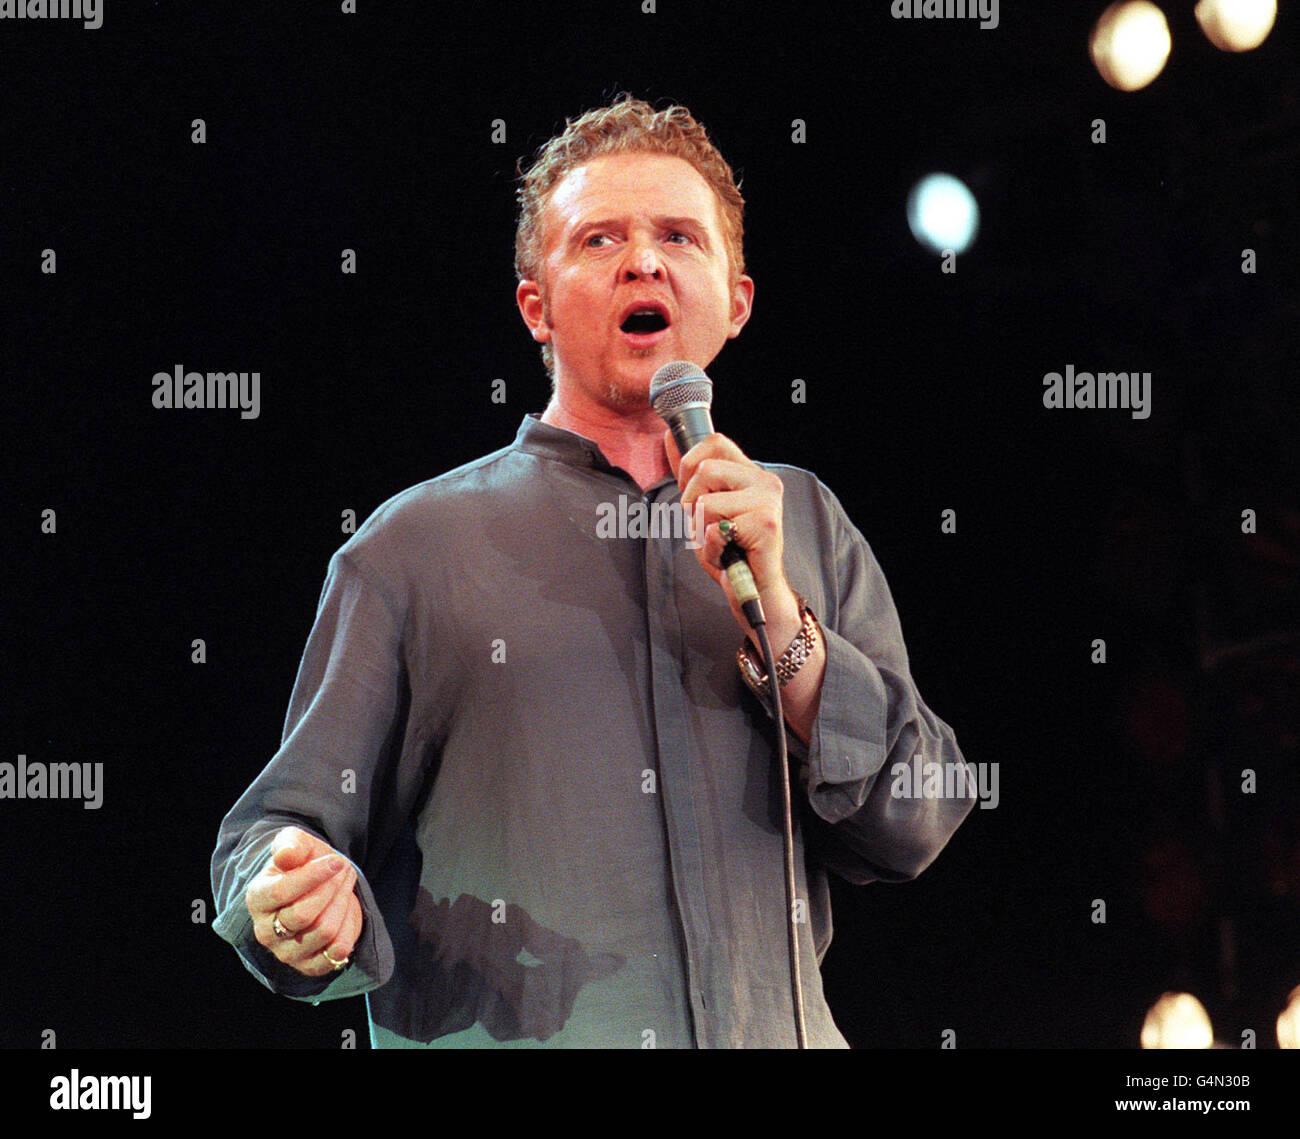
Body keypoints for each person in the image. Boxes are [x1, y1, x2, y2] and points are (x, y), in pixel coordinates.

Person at [210, 94, 975, 1048]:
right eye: (600, 239)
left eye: (681, 238)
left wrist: (782, 620)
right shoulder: (414, 548)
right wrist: (290, 897)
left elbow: (919, 813)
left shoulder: (803, 523)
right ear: (537, 305)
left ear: (736, 301)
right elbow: (271, 836)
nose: (645, 261)